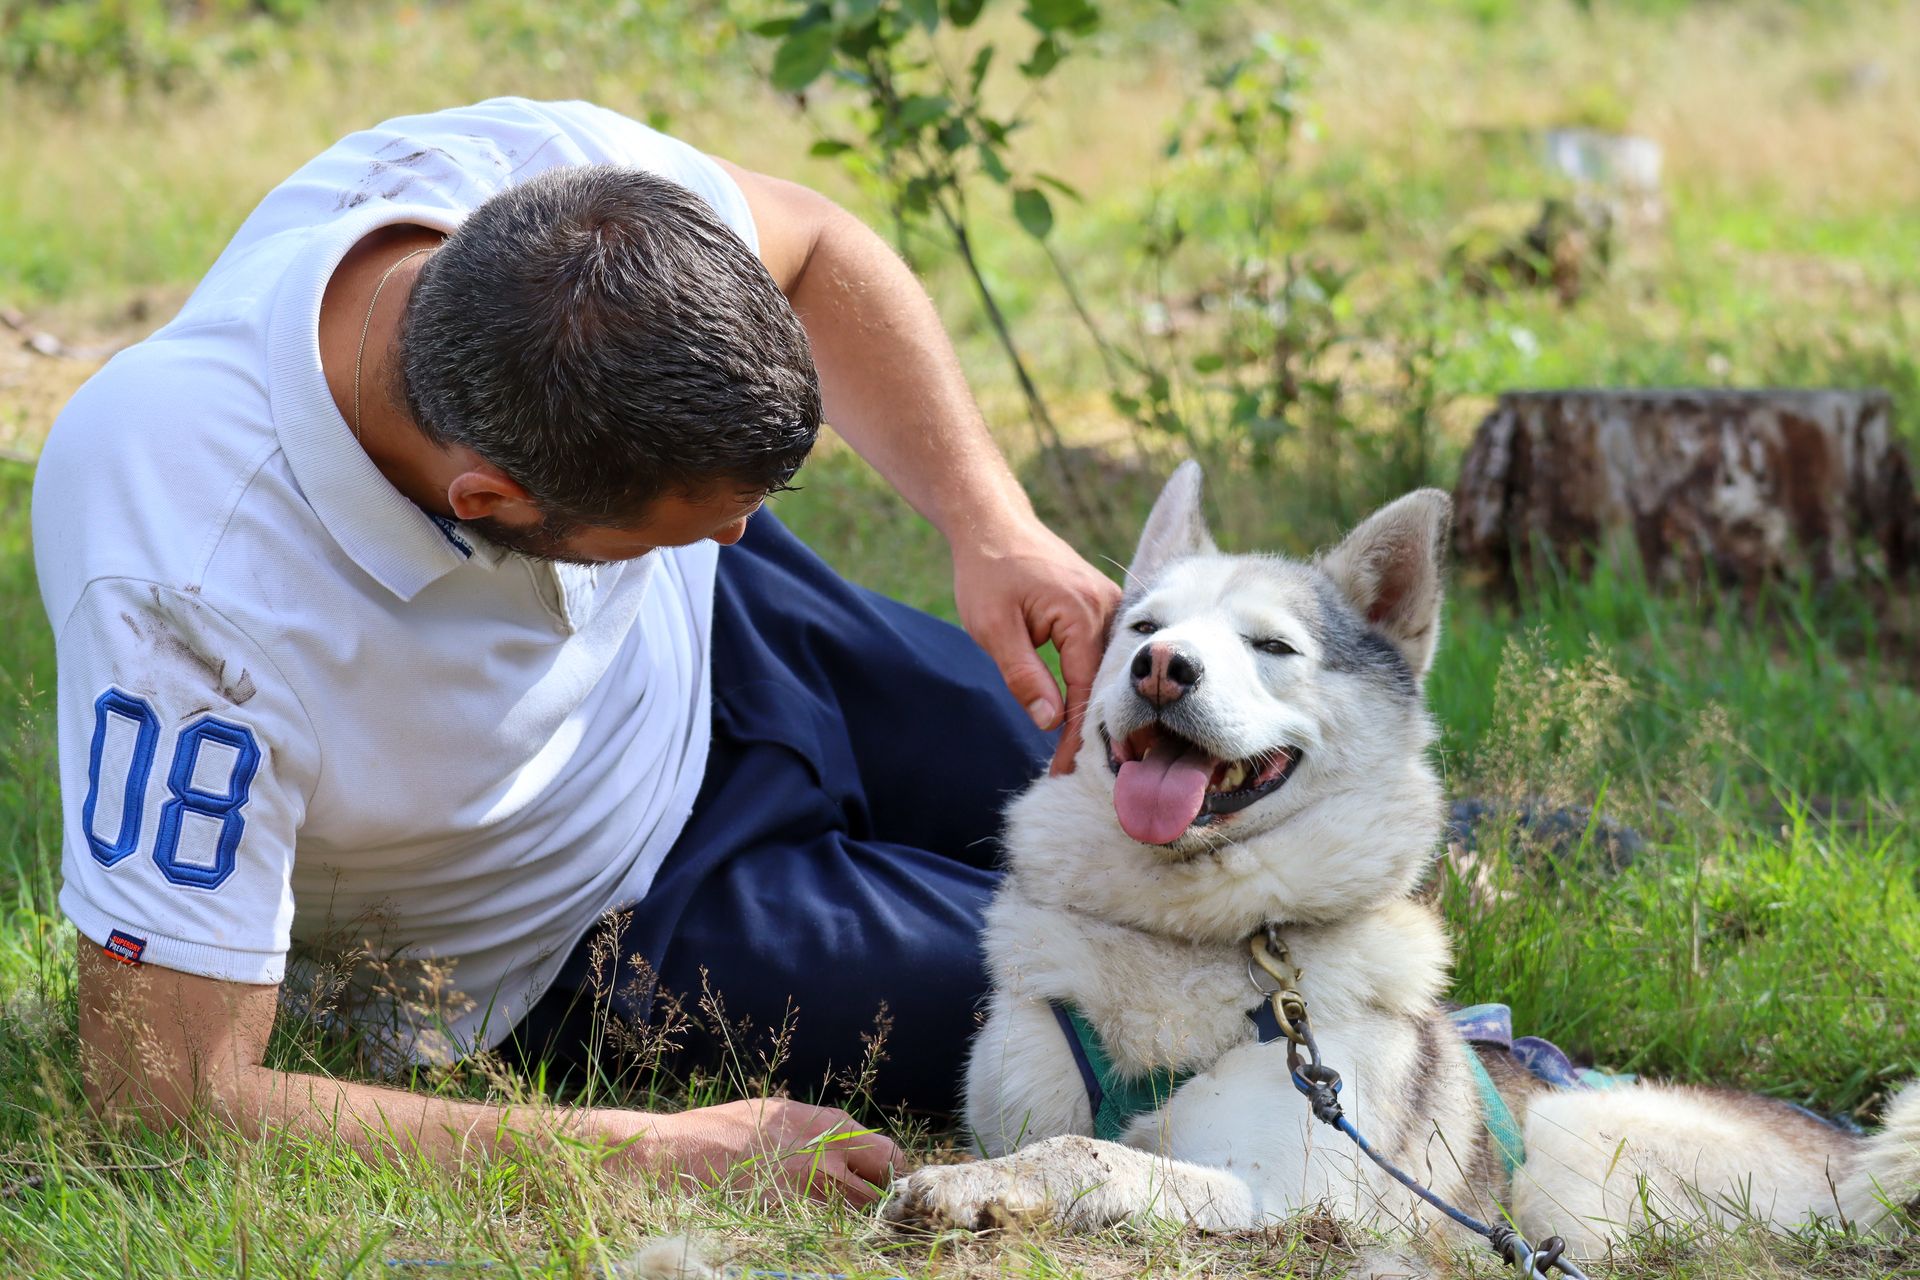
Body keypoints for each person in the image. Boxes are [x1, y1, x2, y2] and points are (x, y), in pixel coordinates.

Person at [33, 97, 1120, 1207]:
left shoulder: (545, 192)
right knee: (1131, 1001)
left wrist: (991, 521)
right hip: (583, 922)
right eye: (700, 514)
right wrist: (643, 1149)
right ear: (490, 497)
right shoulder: (189, 590)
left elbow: (816, 244)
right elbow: (165, 1090)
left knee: (1190, 815)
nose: (742, 524)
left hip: (739, 628)